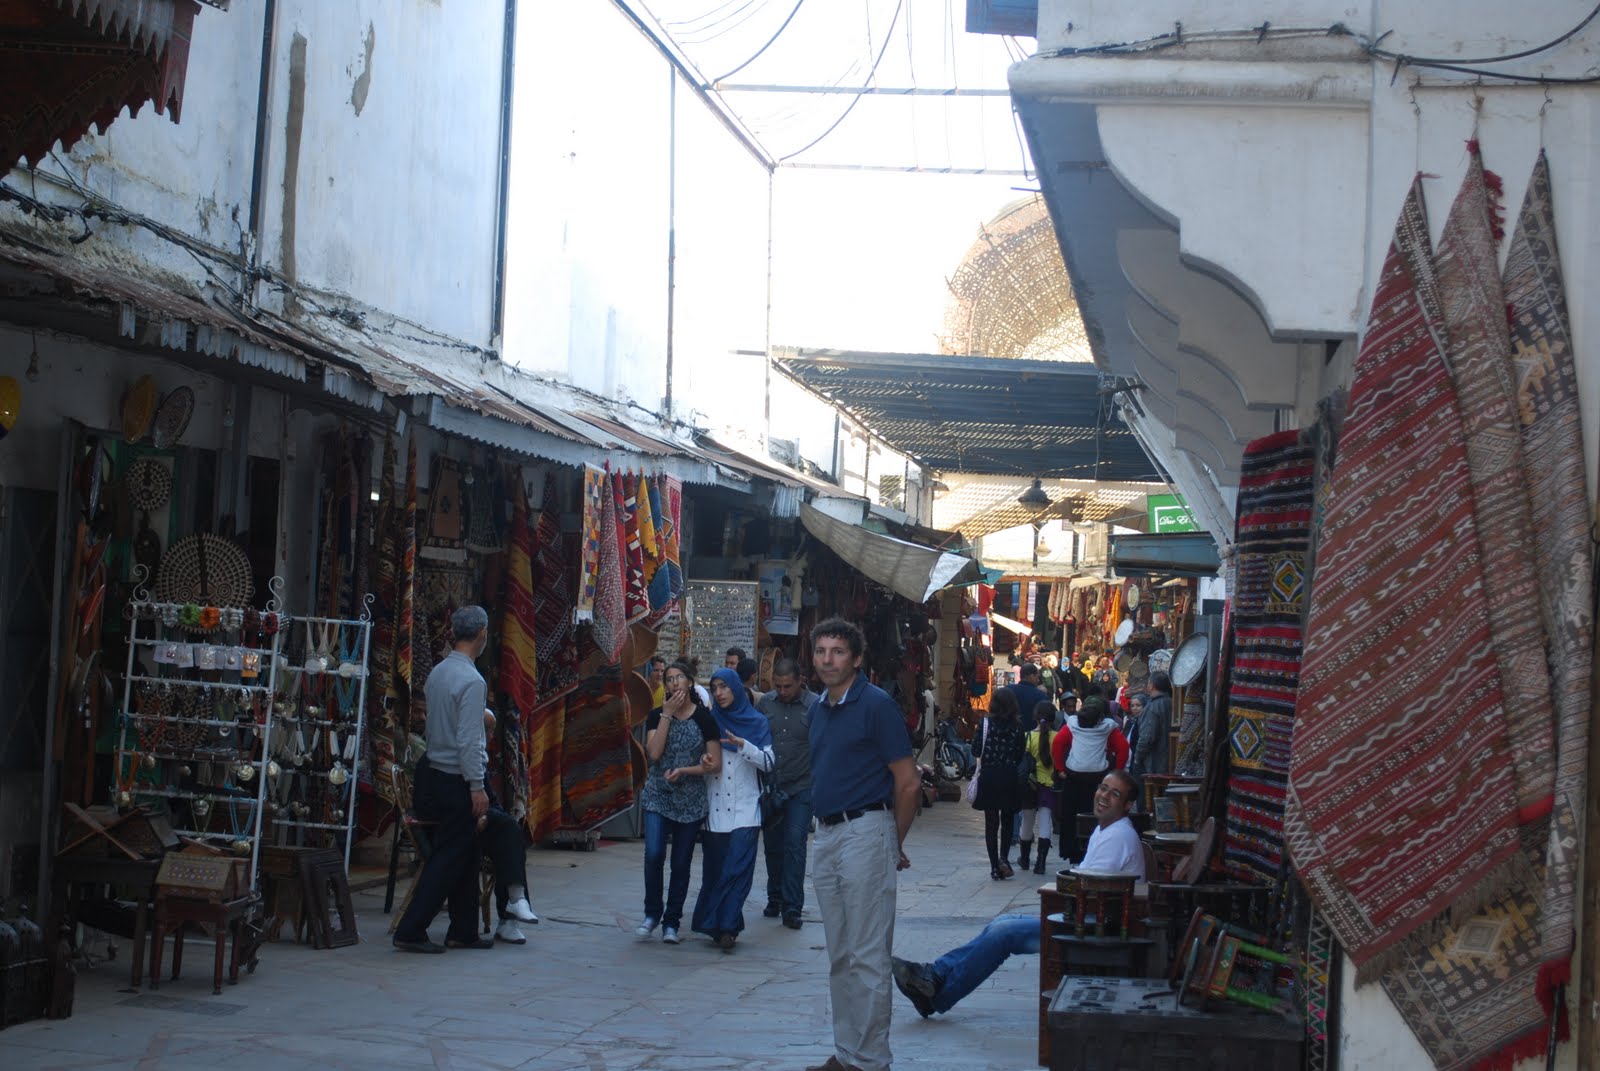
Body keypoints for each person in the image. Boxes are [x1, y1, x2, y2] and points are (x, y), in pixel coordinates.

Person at [887, 770, 1144, 1019]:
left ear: (1127, 805)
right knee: (1001, 923)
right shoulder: (1107, 829)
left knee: (1004, 933)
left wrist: (1059, 888)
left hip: (1093, 925)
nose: (1104, 796)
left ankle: (936, 996)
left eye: (1114, 794)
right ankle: (935, 974)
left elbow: (1090, 892)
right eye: (1103, 788)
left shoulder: (1118, 836)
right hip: (1084, 916)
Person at [805, 617, 921, 1071]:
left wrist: (892, 843)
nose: (827, 659)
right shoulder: (818, 708)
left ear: (856, 658)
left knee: (868, 954)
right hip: (827, 833)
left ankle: (871, 1061)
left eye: (837, 652)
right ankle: (847, 1053)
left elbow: (908, 783)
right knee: (840, 954)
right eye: (821, 651)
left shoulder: (876, 705)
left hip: (865, 831)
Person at [394, 606, 493, 953]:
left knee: (465, 850)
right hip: (455, 778)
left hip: (435, 770)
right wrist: (477, 785)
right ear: (481, 634)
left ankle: (463, 930)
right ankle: (411, 928)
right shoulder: (472, 680)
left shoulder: (438, 672)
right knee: (451, 854)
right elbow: (469, 739)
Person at [636, 661, 721, 944]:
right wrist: (667, 716)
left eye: (679, 678)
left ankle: (671, 921)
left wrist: (688, 770)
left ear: (690, 682)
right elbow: (654, 754)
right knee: (654, 853)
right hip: (658, 794)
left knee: (681, 862)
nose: (673, 684)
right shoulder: (656, 715)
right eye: (669, 679)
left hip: (690, 798)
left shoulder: (705, 720)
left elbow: (714, 764)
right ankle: (651, 913)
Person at [692, 667, 775, 951]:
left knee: (738, 870)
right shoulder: (708, 721)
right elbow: (698, 757)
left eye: (724, 687)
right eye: (714, 688)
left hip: (746, 809)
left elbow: (769, 762)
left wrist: (745, 746)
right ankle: (717, 924)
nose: (719, 693)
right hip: (716, 808)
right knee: (716, 871)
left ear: (736, 689)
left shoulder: (758, 722)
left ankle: (728, 926)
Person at [757, 658, 815, 929]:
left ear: (800, 680)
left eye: (788, 686)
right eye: (778, 686)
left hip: (802, 786)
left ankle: (793, 906)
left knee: (794, 844)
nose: (782, 691)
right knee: (772, 846)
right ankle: (775, 897)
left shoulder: (815, 706)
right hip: (772, 787)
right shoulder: (765, 704)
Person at [477, 710, 539, 944]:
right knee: (509, 833)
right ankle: (513, 908)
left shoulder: (479, 756)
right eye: (489, 730)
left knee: (511, 836)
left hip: (480, 822)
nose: (493, 736)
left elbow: (489, 799)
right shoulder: (465, 754)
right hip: (462, 824)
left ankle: (513, 909)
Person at [1050, 695, 1130, 862]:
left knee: (1071, 815)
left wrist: (1060, 769)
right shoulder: (1108, 728)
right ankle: (1093, 849)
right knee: (1096, 814)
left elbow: (1057, 743)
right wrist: (1117, 773)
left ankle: (1072, 852)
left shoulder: (1071, 725)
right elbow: (1123, 748)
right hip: (1098, 779)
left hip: (1073, 776)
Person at [970, 687, 1024, 881]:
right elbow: (1020, 754)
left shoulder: (985, 724)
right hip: (1009, 776)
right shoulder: (1017, 727)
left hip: (990, 776)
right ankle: (1004, 859)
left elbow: (976, 750)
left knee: (991, 824)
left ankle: (994, 866)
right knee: (1008, 821)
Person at [1016, 703, 1058, 876]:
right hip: (1049, 785)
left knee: (1027, 821)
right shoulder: (1057, 738)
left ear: (1034, 717)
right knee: (1045, 822)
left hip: (1029, 786)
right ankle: (1040, 863)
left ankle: (1024, 859)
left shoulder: (1027, 737)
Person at [1131, 671, 1173, 778]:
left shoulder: (1153, 707)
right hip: (1170, 761)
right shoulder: (1172, 702)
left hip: (1154, 765)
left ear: (1152, 685)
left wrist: (1137, 759)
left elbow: (1146, 738)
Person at [1003, 663, 1053, 735]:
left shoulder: (1007, 690)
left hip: (1009, 737)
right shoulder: (1040, 695)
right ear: (1032, 676)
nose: (1038, 680)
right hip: (1032, 738)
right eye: (1037, 677)